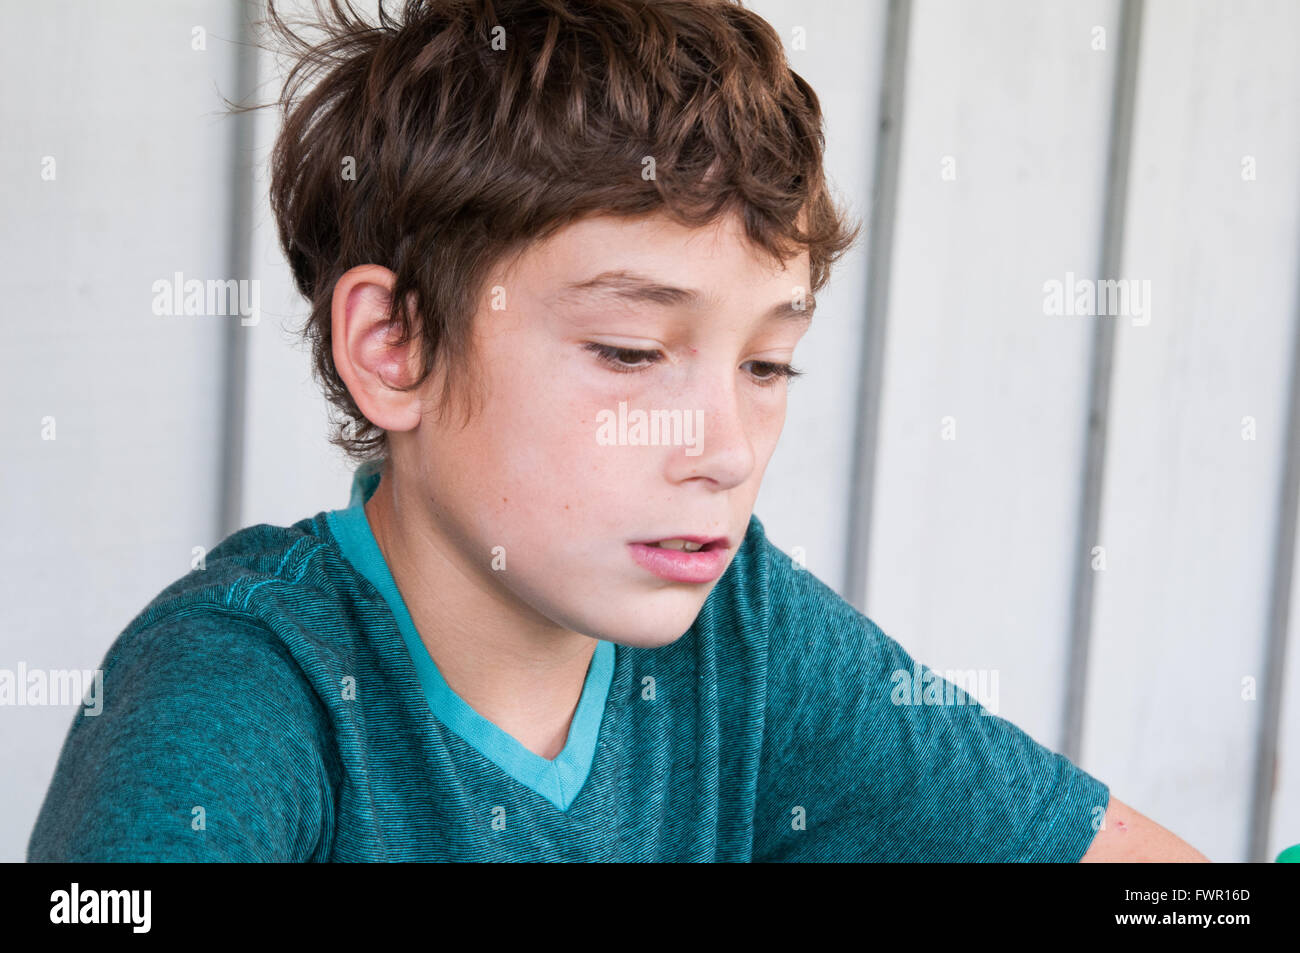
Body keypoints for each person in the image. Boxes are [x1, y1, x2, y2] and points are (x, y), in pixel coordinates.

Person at [28, 0, 1206, 862]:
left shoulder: (744, 636)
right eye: (632, 353)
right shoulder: (237, 687)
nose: (725, 449)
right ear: (393, 344)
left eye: (766, 364)